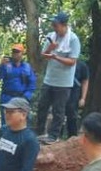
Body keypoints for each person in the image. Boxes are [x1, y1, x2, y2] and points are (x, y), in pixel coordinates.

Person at [34, 12, 80, 144]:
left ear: (64, 25)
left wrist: (55, 56)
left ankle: (53, 136)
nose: (54, 27)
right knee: (42, 106)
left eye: (56, 25)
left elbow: (72, 61)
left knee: (58, 110)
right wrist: (51, 48)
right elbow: (43, 55)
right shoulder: (51, 37)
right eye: (53, 24)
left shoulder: (73, 39)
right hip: (49, 79)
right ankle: (39, 132)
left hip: (64, 82)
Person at [0, 43, 37, 126]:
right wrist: (0, 65)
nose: (15, 54)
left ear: (22, 54)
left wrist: (26, 97)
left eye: (17, 52)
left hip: (21, 98)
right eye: (13, 52)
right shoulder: (6, 65)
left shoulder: (27, 67)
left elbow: (32, 84)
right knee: (6, 123)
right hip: (7, 98)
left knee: (23, 123)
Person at [65, 59, 91, 138]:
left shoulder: (81, 65)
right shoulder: (61, 62)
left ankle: (72, 136)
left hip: (74, 91)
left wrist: (83, 98)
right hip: (61, 90)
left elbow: (85, 81)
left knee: (72, 114)